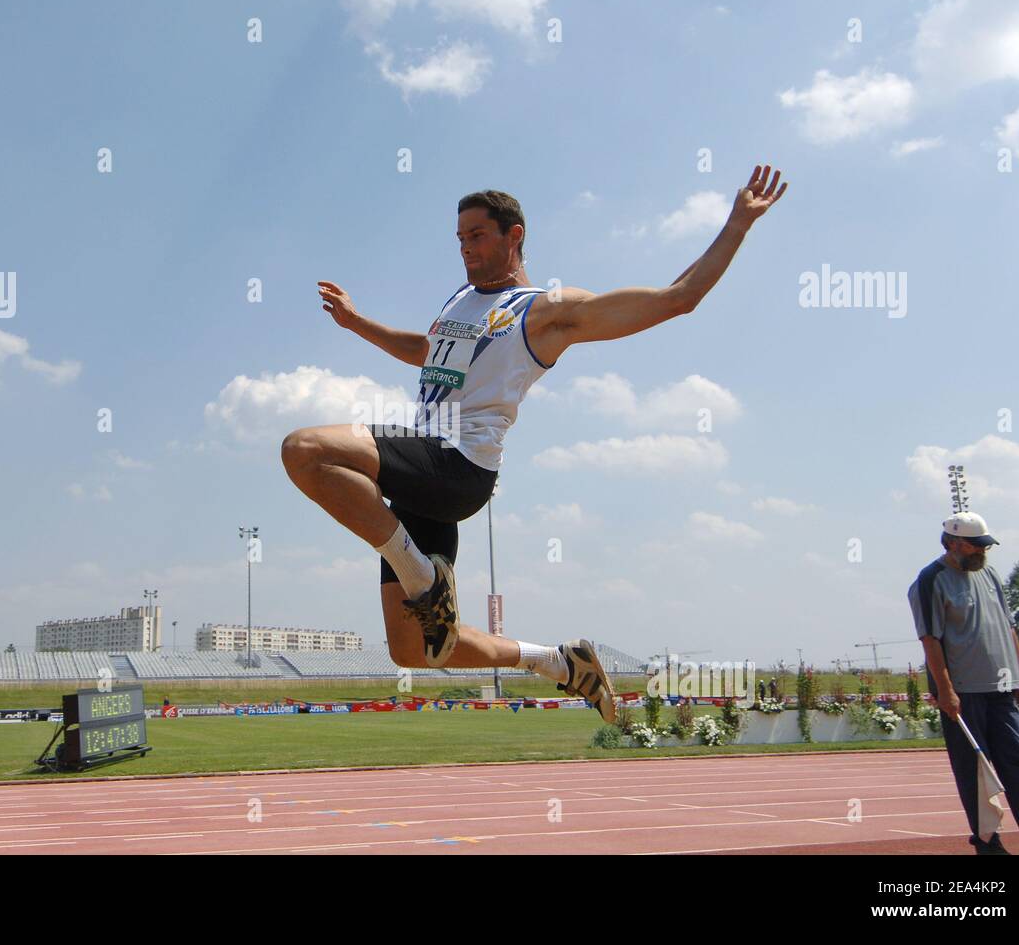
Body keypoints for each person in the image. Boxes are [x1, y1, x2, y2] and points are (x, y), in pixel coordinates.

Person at [282, 166, 788, 722]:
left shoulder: (543, 311)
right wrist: (357, 323)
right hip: (421, 477)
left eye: (476, 236)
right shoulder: (459, 301)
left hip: (458, 464)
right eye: (459, 239)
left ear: (513, 235)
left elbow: (677, 298)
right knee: (417, 649)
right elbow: (424, 351)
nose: (465, 249)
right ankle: (560, 662)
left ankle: (424, 578)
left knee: (305, 449)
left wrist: (737, 224)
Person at [908, 510, 1019, 855]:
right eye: (976, 546)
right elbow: (930, 640)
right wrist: (945, 691)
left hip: (1005, 690)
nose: (983, 552)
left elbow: (1009, 627)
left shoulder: (988, 573)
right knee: (976, 772)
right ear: (955, 543)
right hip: (965, 694)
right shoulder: (930, 580)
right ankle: (989, 843)